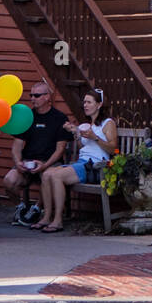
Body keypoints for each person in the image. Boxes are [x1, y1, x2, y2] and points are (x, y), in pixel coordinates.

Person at [36, 88, 116, 233]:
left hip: (96, 167)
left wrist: (95, 138)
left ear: (99, 105)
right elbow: (83, 148)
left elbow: (112, 148)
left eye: (89, 102)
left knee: (56, 175)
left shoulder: (107, 123)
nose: (85, 105)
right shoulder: (87, 124)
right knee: (47, 174)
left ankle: (58, 220)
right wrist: (76, 134)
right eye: (84, 102)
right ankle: (47, 216)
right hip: (82, 163)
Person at [4, 82, 69, 226]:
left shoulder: (59, 118)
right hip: (28, 162)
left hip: (50, 162)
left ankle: (37, 208)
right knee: (9, 180)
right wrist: (18, 162)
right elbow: (16, 146)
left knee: (48, 175)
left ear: (47, 97)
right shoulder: (27, 116)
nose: (33, 99)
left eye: (37, 95)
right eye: (31, 95)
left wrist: (45, 165)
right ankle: (21, 206)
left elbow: (60, 149)